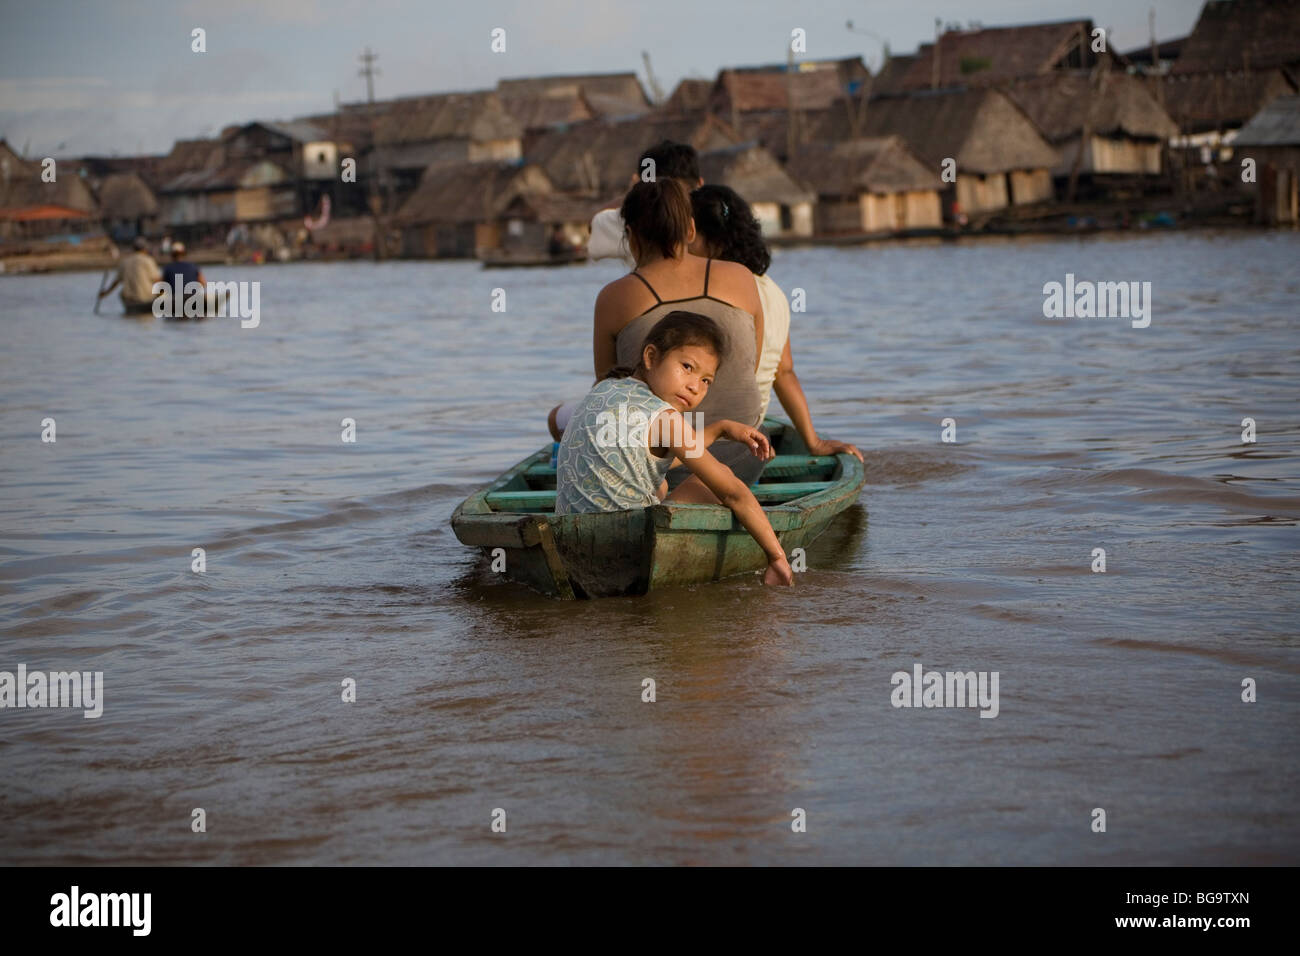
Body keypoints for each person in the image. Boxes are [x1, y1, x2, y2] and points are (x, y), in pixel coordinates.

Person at [556, 311, 792, 586]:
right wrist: (776, 556)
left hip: (571, 542)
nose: (694, 387)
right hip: (628, 551)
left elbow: (644, 457)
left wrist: (719, 429)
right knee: (717, 477)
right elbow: (733, 493)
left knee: (661, 484)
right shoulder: (665, 418)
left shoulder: (605, 389)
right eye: (687, 367)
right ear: (651, 356)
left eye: (706, 381)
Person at [688, 184, 864, 462]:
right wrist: (813, 441)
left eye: (689, 235)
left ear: (713, 242)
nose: (683, 245)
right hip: (750, 433)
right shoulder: (774, 291)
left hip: (716, 432)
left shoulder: (710, 289)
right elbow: (785, 372)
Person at [587, 139, 704, 269]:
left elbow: (593, 225)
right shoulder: (715, 209)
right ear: (700, 182)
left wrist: (634, 194)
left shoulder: (638, 217)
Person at [98, 237, 162, 312]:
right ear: (144, 249)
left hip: (130, 299)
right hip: (148, 298)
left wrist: (105, 293)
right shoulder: (148, 260)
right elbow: (157, 281)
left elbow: (116, 282)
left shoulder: (124, 262)